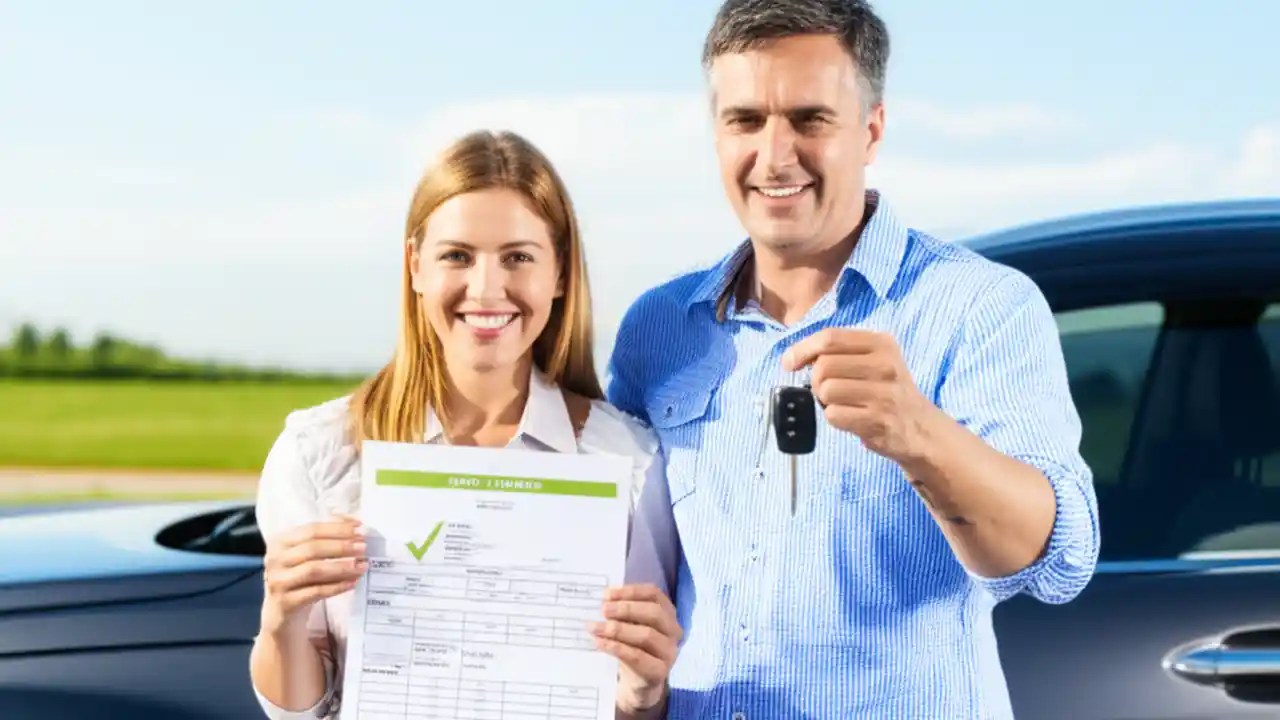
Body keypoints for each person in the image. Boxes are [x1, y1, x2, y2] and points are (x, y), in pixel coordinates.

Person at [606, 0, 1101, 717]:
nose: (775, 156)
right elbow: (617, 557)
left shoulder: (980, 306)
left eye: (810, 119)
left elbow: (1060, 559)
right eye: (745, 120)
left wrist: (918, 434)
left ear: (871, 130)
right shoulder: (658, 328)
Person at [249, 129, 682, 720]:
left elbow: (629, 704)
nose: (486, 288)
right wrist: (282, 620)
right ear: (415, 266)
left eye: (518, 257)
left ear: (559, 273)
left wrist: (644, 691)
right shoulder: (319, 452)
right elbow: (301, 713)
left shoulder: (628, 463)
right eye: (457, 255)